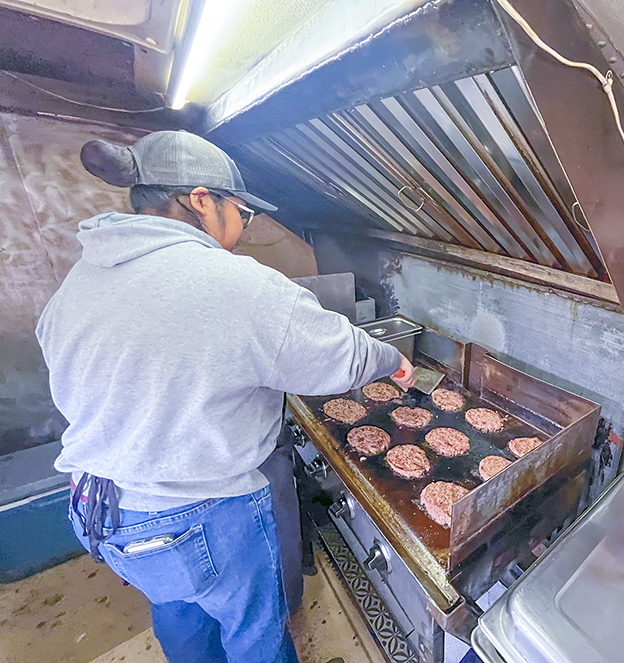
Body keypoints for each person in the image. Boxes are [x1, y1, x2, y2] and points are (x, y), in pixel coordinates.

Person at [35, 130, 415, 663]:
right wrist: (393, 359)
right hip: (206, 514)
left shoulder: (80, 280)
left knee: (178, 610)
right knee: (255, 633)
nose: (244, 224)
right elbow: (343, 358)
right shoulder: (233, 281)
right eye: (242, 211)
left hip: (102, 505)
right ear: (200, 200)